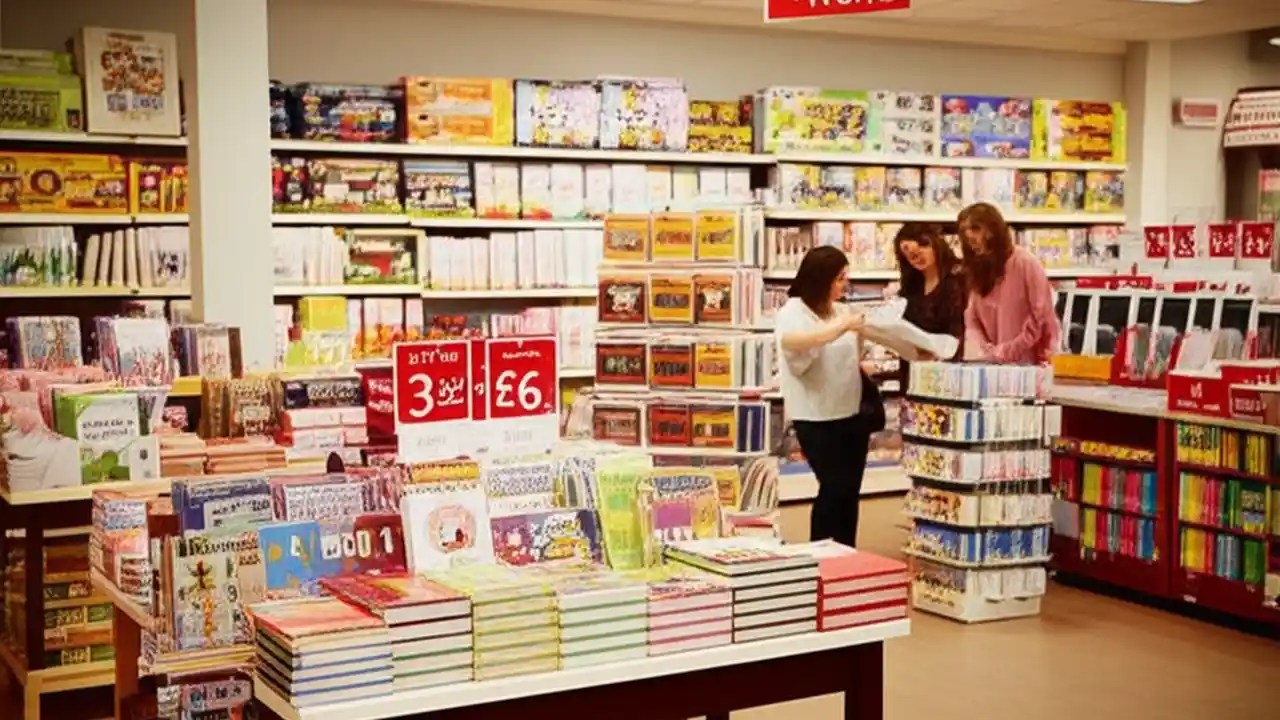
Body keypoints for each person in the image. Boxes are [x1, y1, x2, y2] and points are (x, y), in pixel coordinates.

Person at [773, 245, 871, 547]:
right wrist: (840, 327)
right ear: (822, 278)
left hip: (851, 414)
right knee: (833, 487)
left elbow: (853, 351)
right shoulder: (793, 312)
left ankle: (846, 553)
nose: (845, 284)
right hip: (815, 417)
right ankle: (822, 554)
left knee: (850, 492)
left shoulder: (843, 311)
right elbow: (796, 347)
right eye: (839, 278)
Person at [958, 203, 1060, 363]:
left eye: (976, 229)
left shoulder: (1025, 263)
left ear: (994, 230)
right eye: (965, 231)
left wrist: (1009, 350)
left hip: (1030, 365)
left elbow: (1040, 315)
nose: (970, 237)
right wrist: (986, 351)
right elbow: (972, 318)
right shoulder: (978, 270)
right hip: (992, 366)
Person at [892, 222, 967, 392]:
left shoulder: (959, 280)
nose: (918, 258)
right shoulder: (911, 288)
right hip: (915, 372)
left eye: (923, 248)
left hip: (949, 373)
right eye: (911, 256)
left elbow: (964, 327)